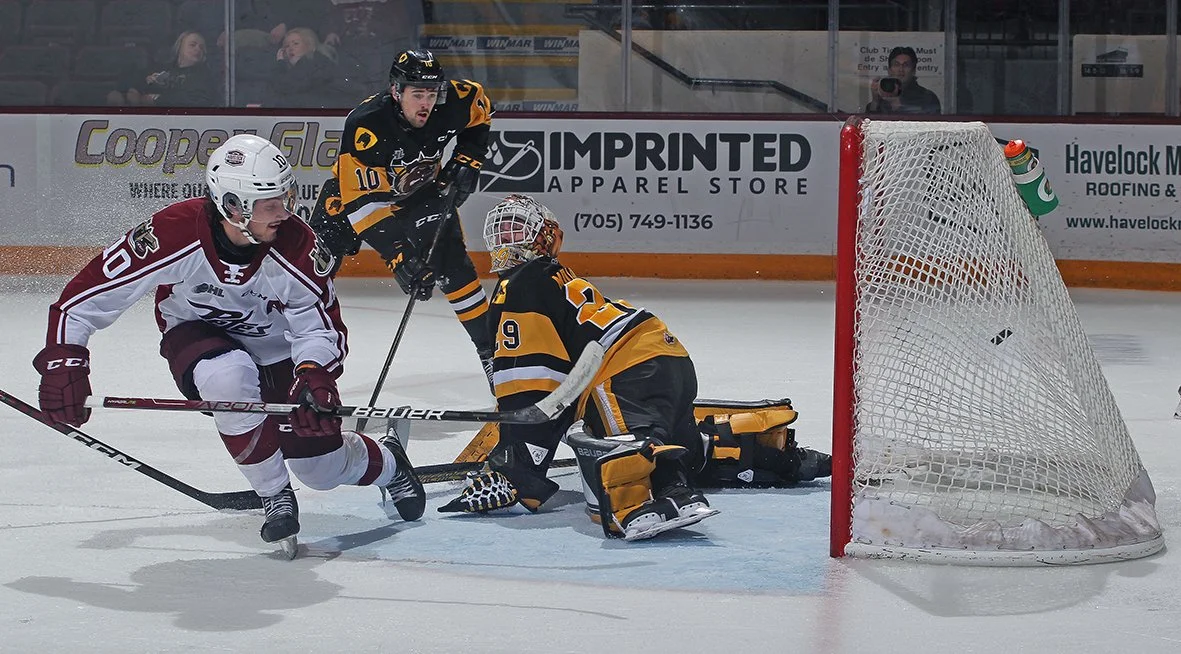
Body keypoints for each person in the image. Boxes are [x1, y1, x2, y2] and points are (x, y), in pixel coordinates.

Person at [32, 134, 426, 555]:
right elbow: (86, 297)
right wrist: (65, 361)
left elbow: (321, 328)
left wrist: (314, 373)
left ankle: (389, 462)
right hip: (197, 333)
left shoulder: (300, 247)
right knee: (227, 377)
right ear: (233, 206)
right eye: (269, 204)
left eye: (284, 198)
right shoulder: (172, 232)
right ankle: (274, 494)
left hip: (276, 349)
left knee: (320, 470)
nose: (284, 212)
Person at [437, 195, 833, 541]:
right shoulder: (557, 277)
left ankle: (669, 499)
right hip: (667, 357)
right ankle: (782, 461)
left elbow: (534, 383)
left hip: (626, 372)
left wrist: (517, 471)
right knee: (688, 448)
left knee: (630, 448)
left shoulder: (515, 289)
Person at [307, 48, 497, 387]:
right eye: (417, 94)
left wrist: (468, 158)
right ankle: (290, 352)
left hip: (419, 193)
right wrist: (399, 255)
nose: (426, 103)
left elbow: (480, 109)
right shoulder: (366, 123)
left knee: (452, 264)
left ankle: (493, 355)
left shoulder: (455, 100)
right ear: (396, 91)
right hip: (353, 196)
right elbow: (364, 204)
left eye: (431, 94)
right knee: (309, 270)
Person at [107, 31, 218, 107]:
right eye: (192, 45)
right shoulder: (161, 68)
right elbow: (132, 81)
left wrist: (157, 99)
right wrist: (137, 88)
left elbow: (198, 100)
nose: (198, 49)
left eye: (201, 47)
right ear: (179, 47)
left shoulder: (204, 76)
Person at [266, 27, 338, 108]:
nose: (290, 48)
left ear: (310, 45)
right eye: (287, 46)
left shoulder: (319, 64)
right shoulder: (288, 69)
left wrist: (281, 65)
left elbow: (287, 86)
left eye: (296, 43)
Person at [865, 46, 941, 115]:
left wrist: (897, 105)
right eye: (896, 64)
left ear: (913, 70)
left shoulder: (927, 97)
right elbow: (869, 123)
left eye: (906, 65)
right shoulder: (884, 95)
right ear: (889, 70)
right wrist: (875, 101)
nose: (901, 69)